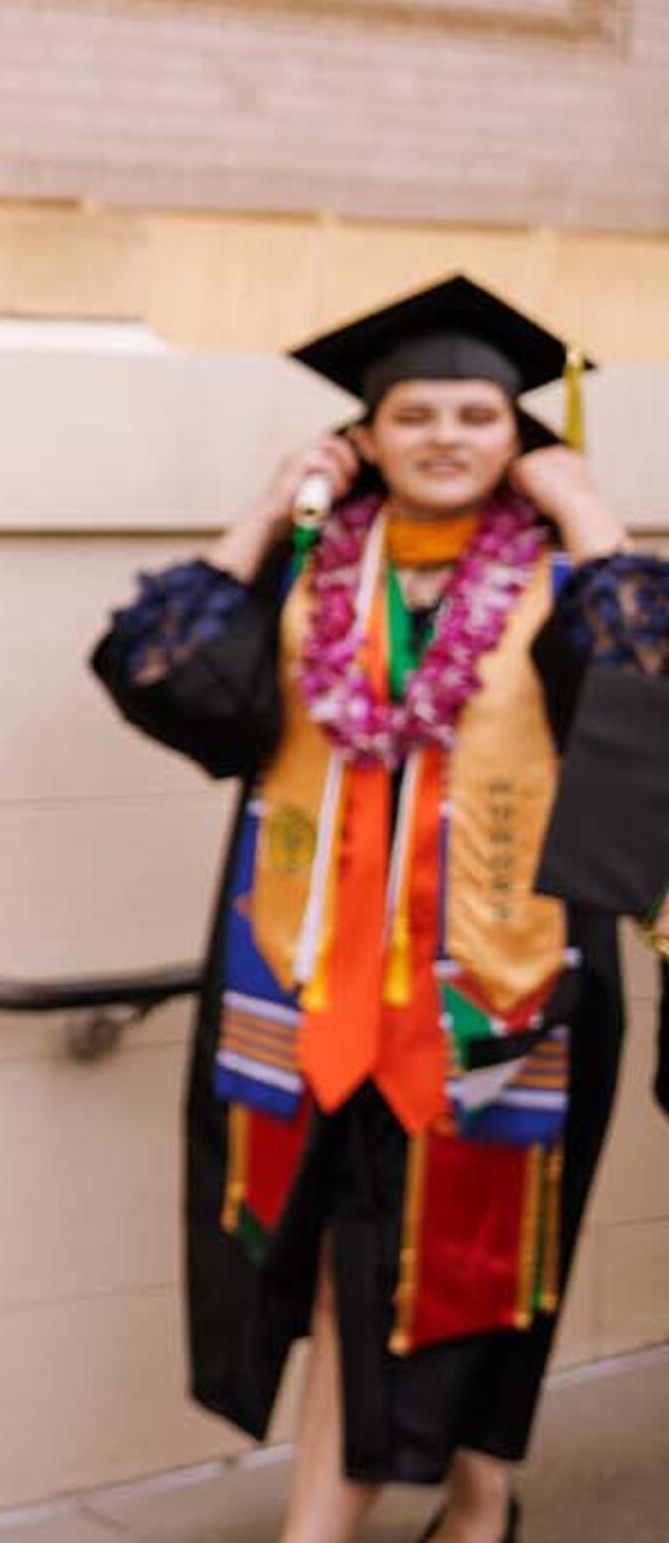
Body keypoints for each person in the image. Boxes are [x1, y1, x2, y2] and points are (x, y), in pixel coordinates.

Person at [88, 275, 664, 1543]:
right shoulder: (313, 576)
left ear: (523, 437)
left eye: (478, 412)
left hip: (513, 985)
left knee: (488, 1262)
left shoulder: (566, 586)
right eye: (414, 413)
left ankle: (476, 1496)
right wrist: (265, 511)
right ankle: (346, 1523)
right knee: (356, 1260)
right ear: (367, 435)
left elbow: (647, 704)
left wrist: (592, 520)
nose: (447, 435)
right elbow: (156, 665)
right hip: (309, 981)